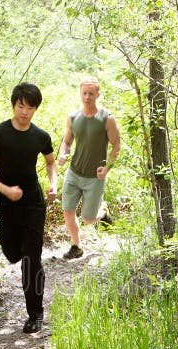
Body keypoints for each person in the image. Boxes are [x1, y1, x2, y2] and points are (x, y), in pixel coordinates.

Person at [0, 82, 57, 334]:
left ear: (36, 108)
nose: (24, 112)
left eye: (30, 108)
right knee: (12, 253)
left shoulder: (41, 136)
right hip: (6, 202)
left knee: (30, 258)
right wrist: (4, 189)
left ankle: (35, 314)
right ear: (14, 105)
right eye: (20, 106)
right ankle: (22, 257)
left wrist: (53, 184)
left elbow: (50, 162)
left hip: (33, 202)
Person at [57, 76, 121, 259]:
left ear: (97, 95)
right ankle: (76, 246)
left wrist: (107, 168)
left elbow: (116, 146)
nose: (87, 97)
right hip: (74, 173)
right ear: (80, 93)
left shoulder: (107, 119)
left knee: (88, 219)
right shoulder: (73, 117)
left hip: (95, 177)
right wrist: (63, 153)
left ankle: (103, 211)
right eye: (84, 93)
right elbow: (66, 142)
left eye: (91, 94)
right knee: (68, 212)